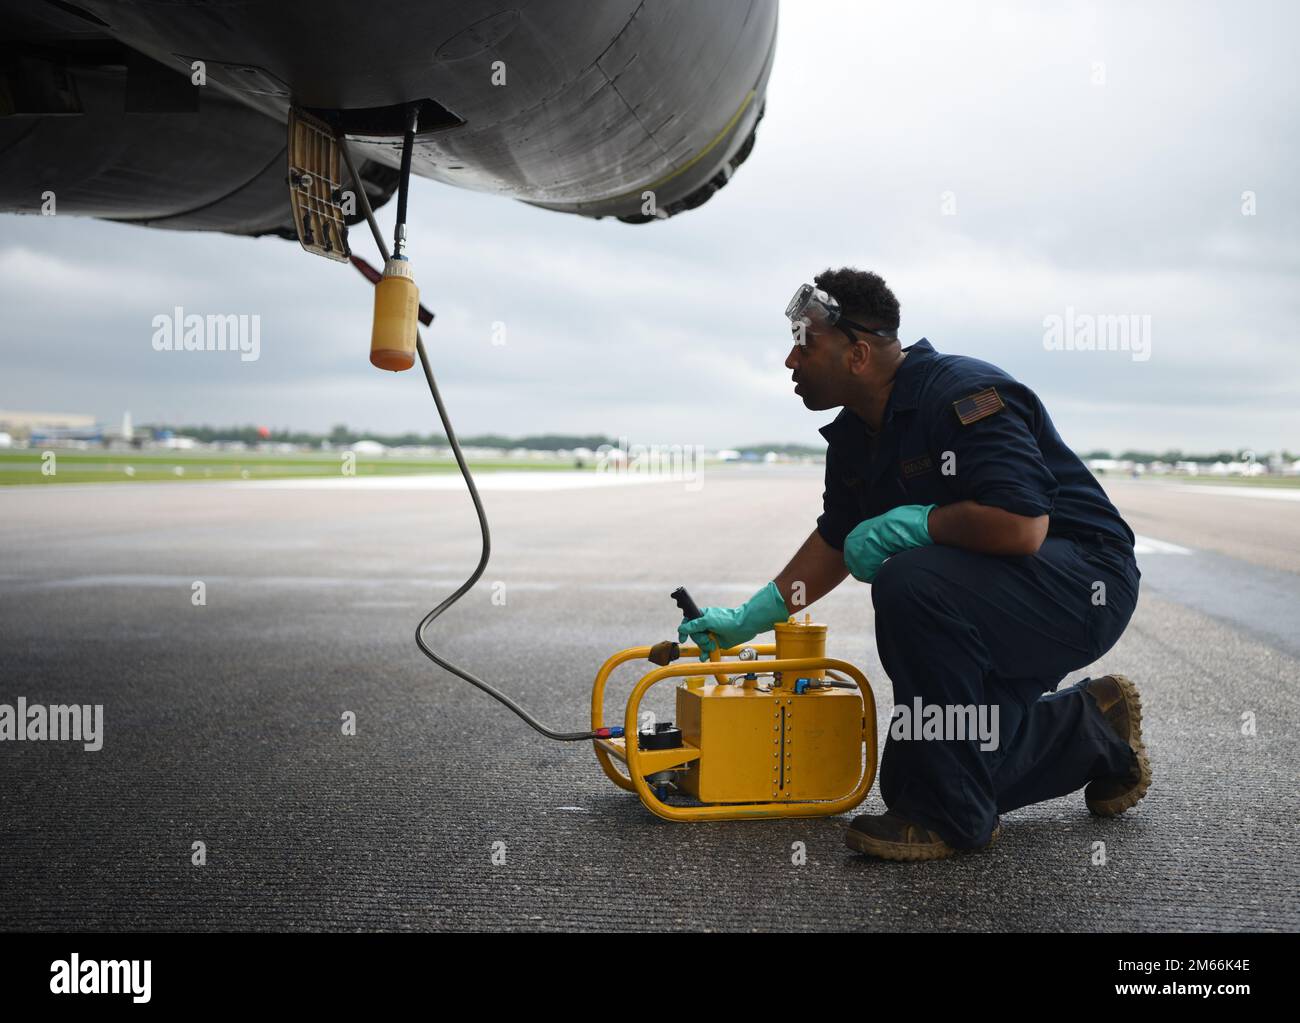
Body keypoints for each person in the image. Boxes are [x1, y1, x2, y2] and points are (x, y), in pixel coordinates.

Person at [679, 267, 1150, 862]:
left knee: (913, 582)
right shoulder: (855, 434)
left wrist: (919, 523)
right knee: (916, 774)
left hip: (1081, 582)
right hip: (998, 597)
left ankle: (953, 822)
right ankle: (1092, 726)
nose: (790, 362)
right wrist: (753, 616)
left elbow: (1022, 526)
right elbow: (835, 541)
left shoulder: (961, 394)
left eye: (804, 343)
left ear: (856, 353)